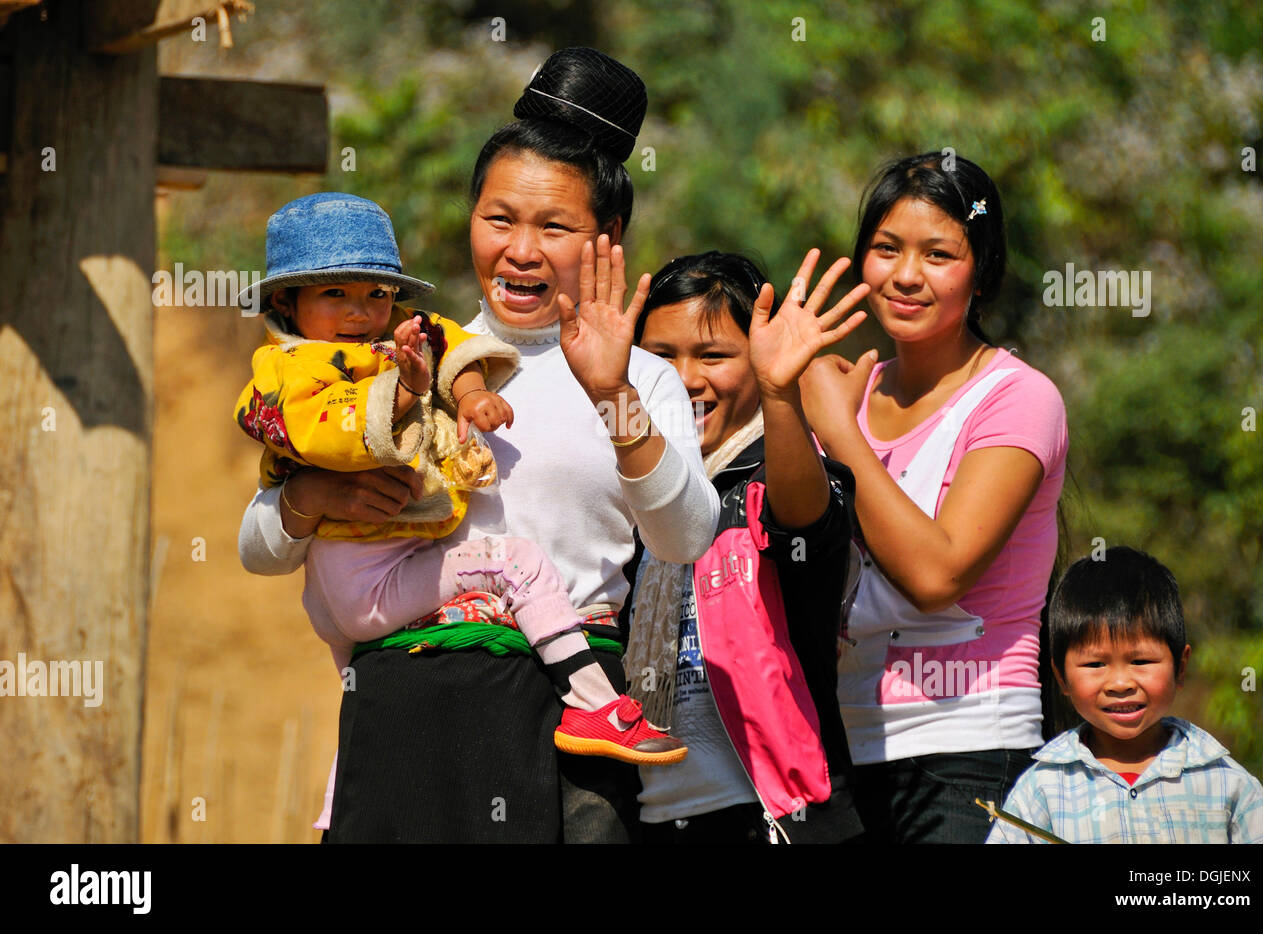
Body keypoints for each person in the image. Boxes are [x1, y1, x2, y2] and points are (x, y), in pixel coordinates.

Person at [237, 48, 718, 842]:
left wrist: (612, 398)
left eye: (554, 226)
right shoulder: (408, 358)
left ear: (609, 235)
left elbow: (685, 536)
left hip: (572, 713)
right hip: (409, 704)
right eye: (500, 219)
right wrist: (311, 499)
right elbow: (259, 548)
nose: (519, 251)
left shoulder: (642, 380)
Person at [233, 192, 686, 766]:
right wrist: (397, 398)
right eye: (334, 294)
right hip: (363, 578)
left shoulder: (400, 334)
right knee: (513, 562)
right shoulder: (286, 368)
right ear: (285, 301)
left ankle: (337, 803)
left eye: (377, 293)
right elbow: (319, 430)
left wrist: (471, 392)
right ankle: (594, 703)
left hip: (367, 605)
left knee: (366, 722)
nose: (359, 311)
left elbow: (454, 346)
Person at [800, 152, 1069, 843]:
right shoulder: (845, 393)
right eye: (886, 249)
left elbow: (936, 574)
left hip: (971, 756)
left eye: (939, 253)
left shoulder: (1018, 398)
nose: (906, 275)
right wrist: (780, 393)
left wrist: (837, 430)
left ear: (982, 272)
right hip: (844, 754)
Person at [627, 250, 868, 843]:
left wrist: (780, 391)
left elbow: (803, 520)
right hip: (649, 817)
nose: (685, 379)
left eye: (714, 355)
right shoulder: (625, 492)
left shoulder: (780, 475)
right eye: (660, 357)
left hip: (779, 821)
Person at [986, 547, 1263, 844]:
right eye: (1095, 664)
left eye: (1141, 661)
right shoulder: (1043, 788)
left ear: (1181, 667)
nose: (1120, 683)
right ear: (1061, 678)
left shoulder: (1222, 779)